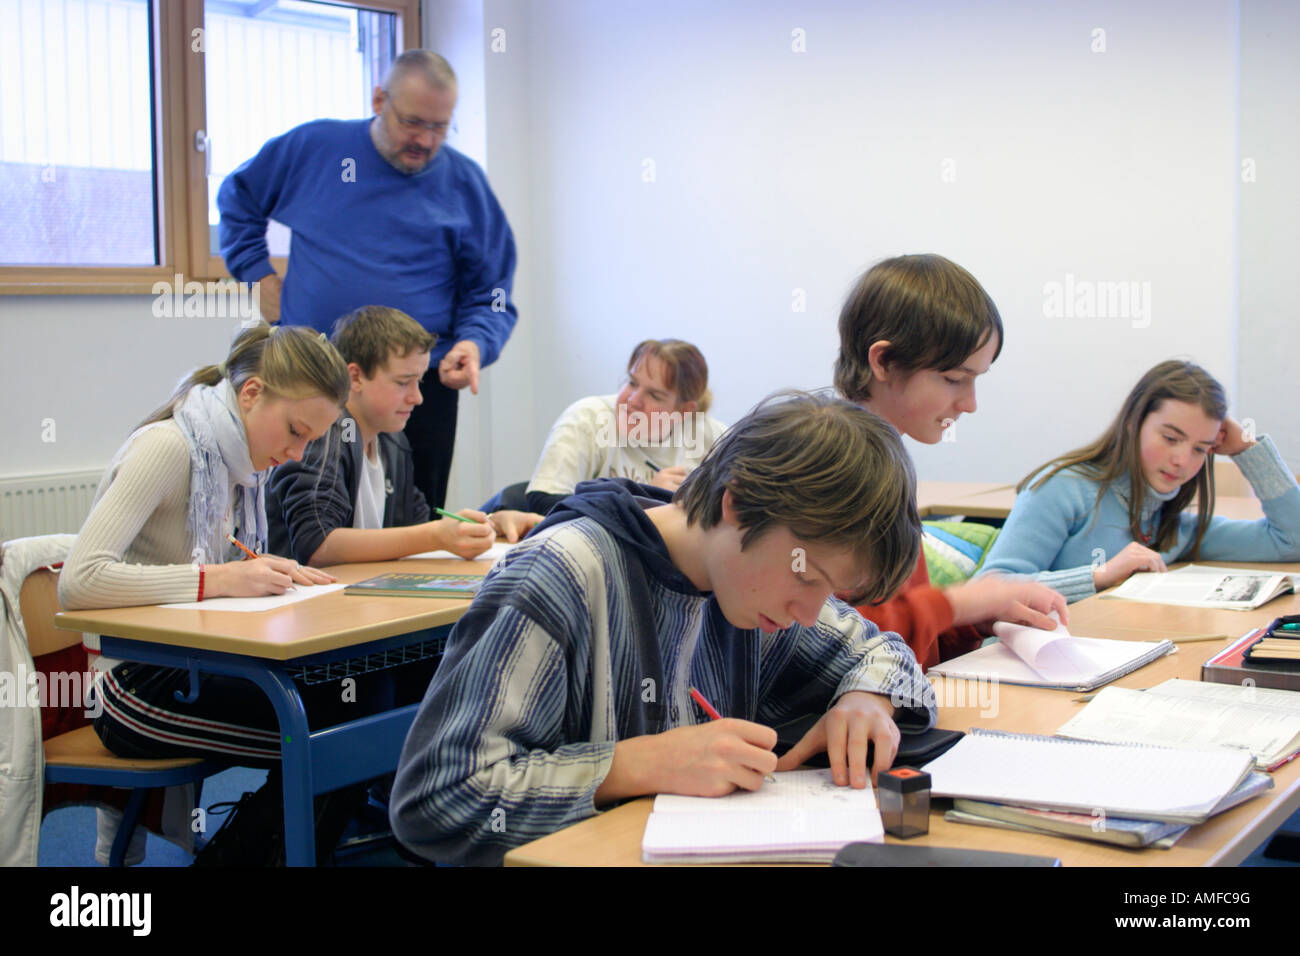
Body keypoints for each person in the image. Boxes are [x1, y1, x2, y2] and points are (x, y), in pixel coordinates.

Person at [390, 392, 938, 866]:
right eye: (809, 577)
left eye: (831, 592)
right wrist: (634, 765)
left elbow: (879, 652)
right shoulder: (559, 574)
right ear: (739, 504)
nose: (810, 613)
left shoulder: (748, 585)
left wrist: (867, 699)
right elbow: (435, 799)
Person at [59, 323, 361, 864]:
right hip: (133, 685)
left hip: (193, 667)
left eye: (311, 441)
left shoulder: (234, 464)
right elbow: (79, 580)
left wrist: (259, 570)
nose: (296, 453)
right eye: (295, 431)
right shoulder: (169, 447)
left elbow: (208, 567)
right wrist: (215, 580)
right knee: (337, 739)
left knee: (360, 707)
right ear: (251, 394)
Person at [217, 50, 517, 512]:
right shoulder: (313, 148)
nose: (425, 140)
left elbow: (493, 290)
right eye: (413, 122)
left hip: (416, 387)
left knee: (414, 519)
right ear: (379, 100)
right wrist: (258, 275)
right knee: (294, 515)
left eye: (440, 127)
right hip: (310, 372)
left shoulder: (464, 183)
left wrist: (476, 342)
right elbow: (238, 198)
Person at [833, 254, 1067, 669]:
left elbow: (905, 638)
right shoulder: (834, 470)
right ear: (884, 361)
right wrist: (959, 603)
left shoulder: (886, 458)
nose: (970, 404)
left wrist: (975, 618)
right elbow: (837, 644)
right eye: (955, 379)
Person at [980, 359, 1300, 601]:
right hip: (1030, 666)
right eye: (1171, 438)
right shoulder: (1062, 489)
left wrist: (1248, 448)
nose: (1182, 460)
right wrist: (1099, 576)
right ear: (1133, 421)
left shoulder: (1175, 527)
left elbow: (1293, 541)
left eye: (1200, 449)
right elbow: (985, 590)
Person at [268, 306, 542, 565]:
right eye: (403, 382)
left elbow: (417, 527)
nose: (417, 397)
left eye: (419, 381)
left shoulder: (392, 442)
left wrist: (488, 524)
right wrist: (435, 535)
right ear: (356, 377)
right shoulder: (322, 435)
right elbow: (315, 545)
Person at [524, 338, 727, 515]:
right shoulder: (587, 419)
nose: (633, 400)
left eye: (654, 395)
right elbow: (542, 503)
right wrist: (641, 497)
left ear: (684, 411)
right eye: (632, 382)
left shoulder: (712, 437)